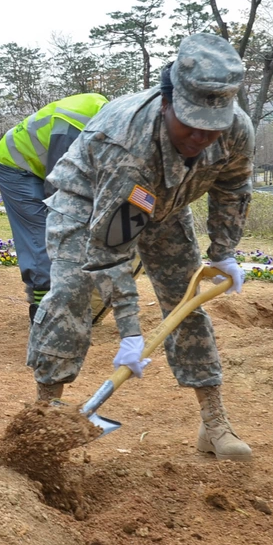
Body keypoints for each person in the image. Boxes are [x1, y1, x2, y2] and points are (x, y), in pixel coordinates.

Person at [27, 33, 254, 462]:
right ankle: (43, 417)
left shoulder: (235, 130)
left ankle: (214, 421)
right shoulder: (128, 143)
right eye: (191, 123)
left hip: (162, 205)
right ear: (167, 102)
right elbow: (109, 251)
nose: (202, 136)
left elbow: (233, 184)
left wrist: (223, 250)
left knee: (186, 303)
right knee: (72, 293)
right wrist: (131, 333)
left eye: (212, 126)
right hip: (89, 202)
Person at [0, 93, 109, 321]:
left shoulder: (104, 118)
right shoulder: (76, 122)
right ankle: (43, 310)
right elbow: (59, 186)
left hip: (37, 166)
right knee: (41, 236)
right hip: (14, 166)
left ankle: (62, 299)